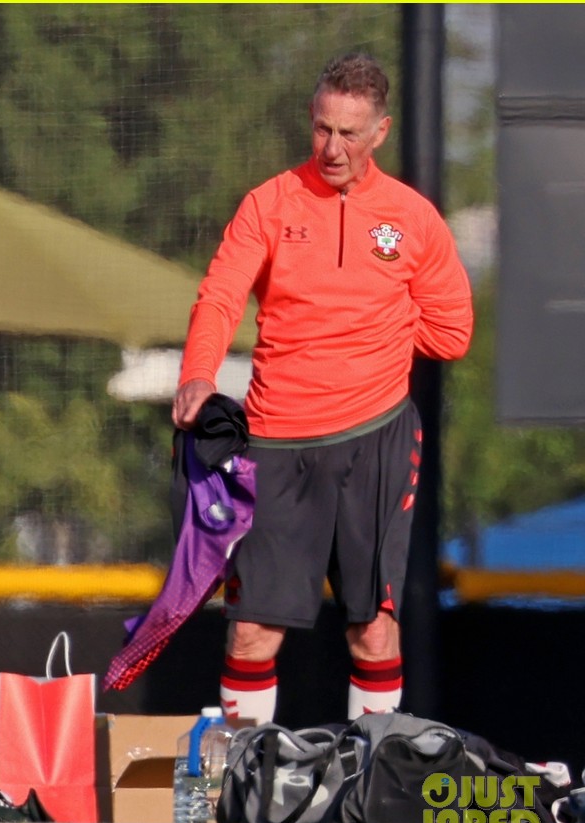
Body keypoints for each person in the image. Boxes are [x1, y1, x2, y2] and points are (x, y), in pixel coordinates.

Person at [172, 53, 473, 725]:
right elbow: (221, 295)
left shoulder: (411, 219)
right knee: (251, 631)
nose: (331, 147)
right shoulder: (270, 203)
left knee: (372, 628)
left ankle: (375, 784)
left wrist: (377, 329)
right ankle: (241, 791)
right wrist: (197, 371)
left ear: (381, 133)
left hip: (375, 442)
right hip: (275, 443)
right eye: (321, 129)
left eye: (348, 133)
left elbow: (452, 332)